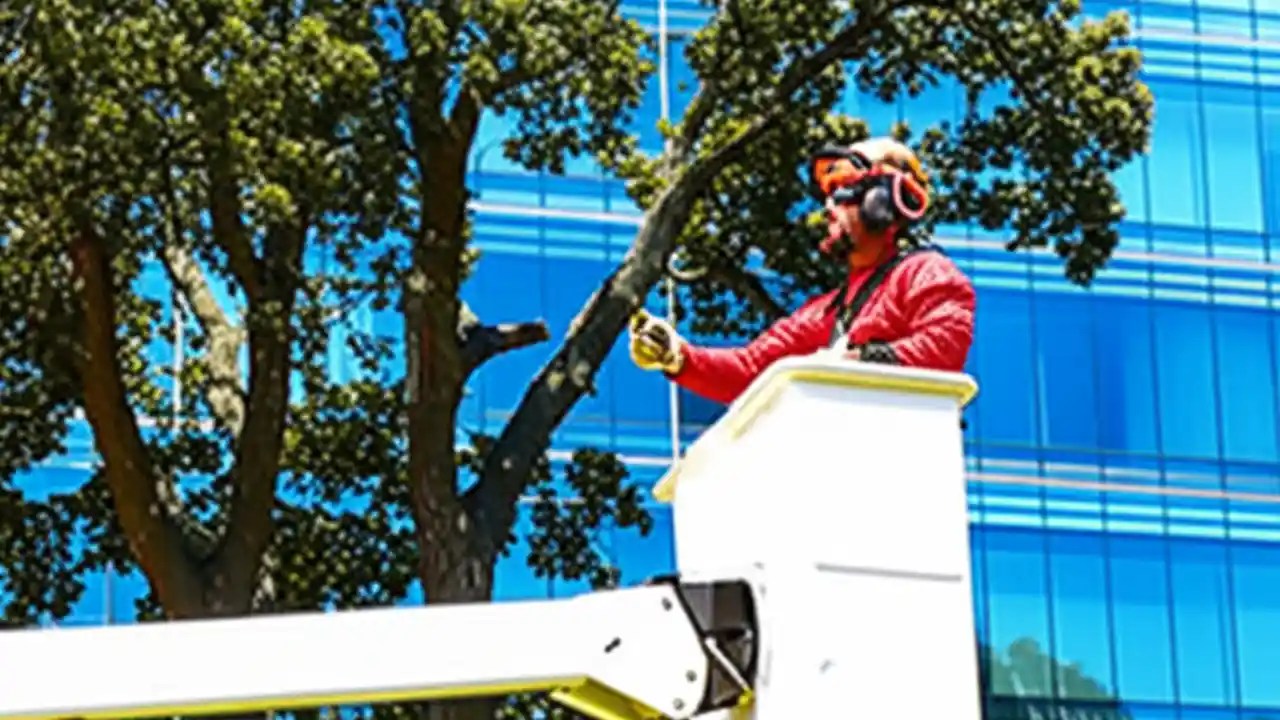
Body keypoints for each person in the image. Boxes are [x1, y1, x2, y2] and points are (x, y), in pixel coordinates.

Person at [628, 137, 976, 406]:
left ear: (880, 202)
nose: (827, 208)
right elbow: (752, 369)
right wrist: (679, 357)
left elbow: (941, 351)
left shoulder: (926, 273)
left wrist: (855, 361)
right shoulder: (826, 312)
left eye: (841, 191)